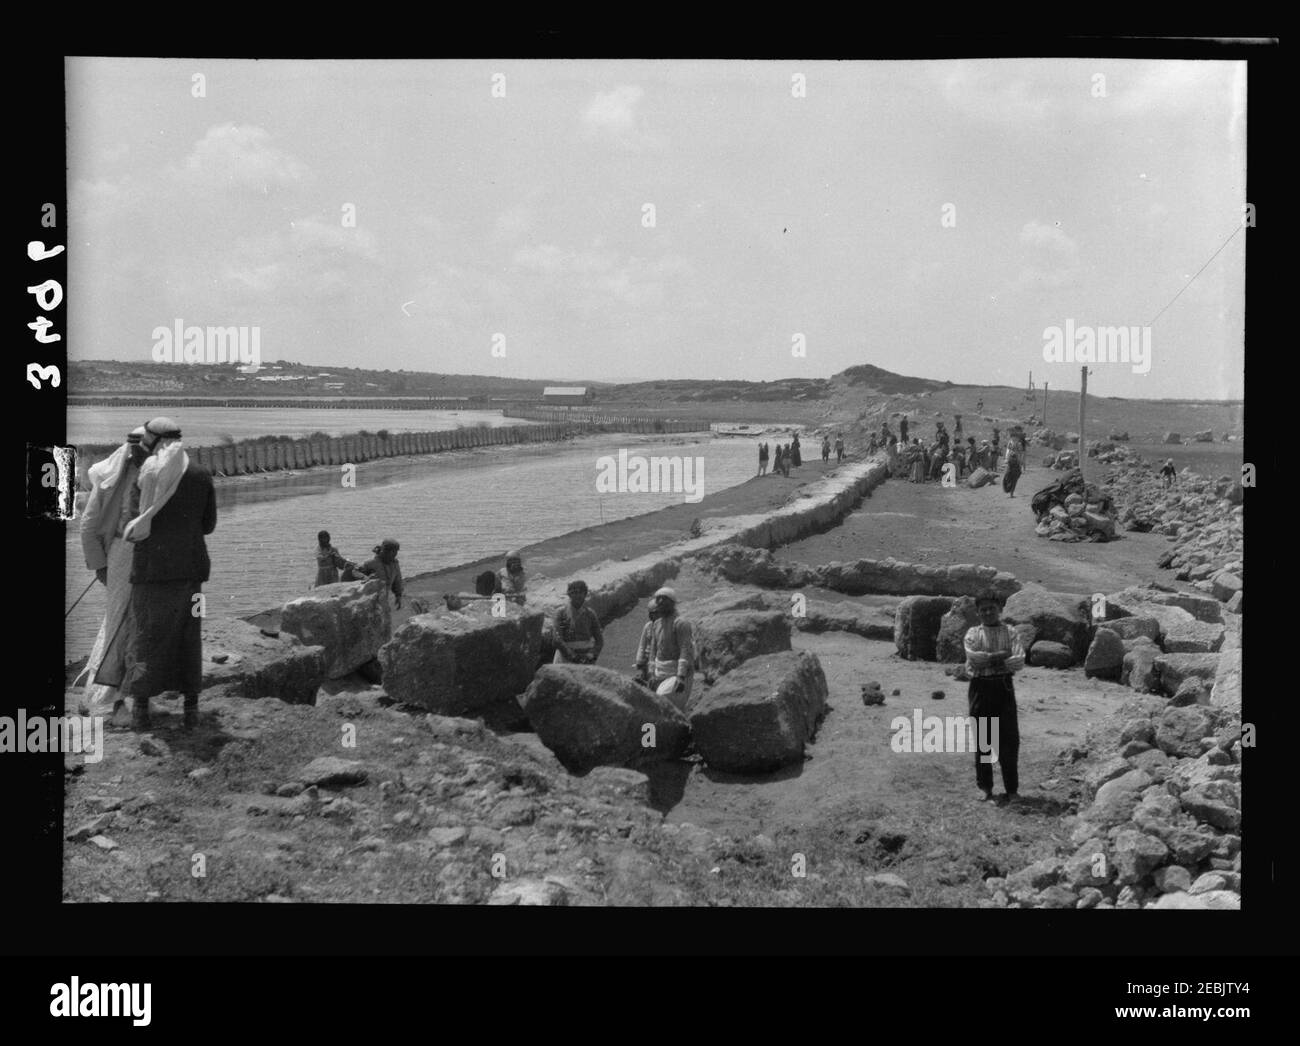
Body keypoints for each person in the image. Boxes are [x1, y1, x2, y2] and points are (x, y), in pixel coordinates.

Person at [120, 417, 216, 732]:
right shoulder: (200, 474)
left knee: (146, 638)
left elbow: (132, 526)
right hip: (190, 570)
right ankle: (190, 711)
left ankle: (141, 713)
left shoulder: (146, 474)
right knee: (188, 638)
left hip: (151, 572)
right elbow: (208, 525)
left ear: (153, 441)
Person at [74, 426, 147, 719]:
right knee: (120, 622)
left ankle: (123, 694)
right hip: (123, 556)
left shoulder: (150, 476)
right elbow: (88, 527)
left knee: (131, 621)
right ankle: (111, 696)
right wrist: (101, 566)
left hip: (138, 557)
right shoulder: (111, 479)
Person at [963, 592, 1026, 803]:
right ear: (977, 612)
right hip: (980, 688)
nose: (988, 612)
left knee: (1009, 740)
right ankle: (985, 787)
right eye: (983, 609)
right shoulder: (972, 633)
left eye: (992, 608)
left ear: (999, 609)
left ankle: (1012, 789)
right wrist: (1001, 655)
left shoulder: (1011, 632)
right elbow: (976, 660)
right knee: (983, 740)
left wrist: (991, 658)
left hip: (1004, 688)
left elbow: (1017, 661)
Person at [634, 587, 695, 711]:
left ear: (672, 603)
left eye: (664, 599)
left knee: (664, 700)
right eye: (658, 599)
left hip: (677, 673)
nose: (660, 601)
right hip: (659, 671)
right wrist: (651, 673)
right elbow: (653, 651)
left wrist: (681, 676)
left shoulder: (681, 623)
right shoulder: (656, 625)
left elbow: (685, 649)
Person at [552, 580, 604, 664]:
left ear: (585, 594)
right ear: (569, 594)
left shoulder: (590, 614)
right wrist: (573, 656)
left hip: (586, 657)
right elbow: (557, 639)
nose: (578, 595)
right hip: (565, 657)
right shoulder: (560, 613)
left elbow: (599, 640)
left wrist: (592, 655)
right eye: (574, 593)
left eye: (581, 593)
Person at [359, 538, 404, 609]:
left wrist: (398, 595)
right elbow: (356, 577)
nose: (395, 554)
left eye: (396, 552)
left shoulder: (394, 564)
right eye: (392, 552)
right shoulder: (370, 564)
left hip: (384, 601)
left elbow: (397, 580)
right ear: (385, 551)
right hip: (368, 603)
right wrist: (365, 578)